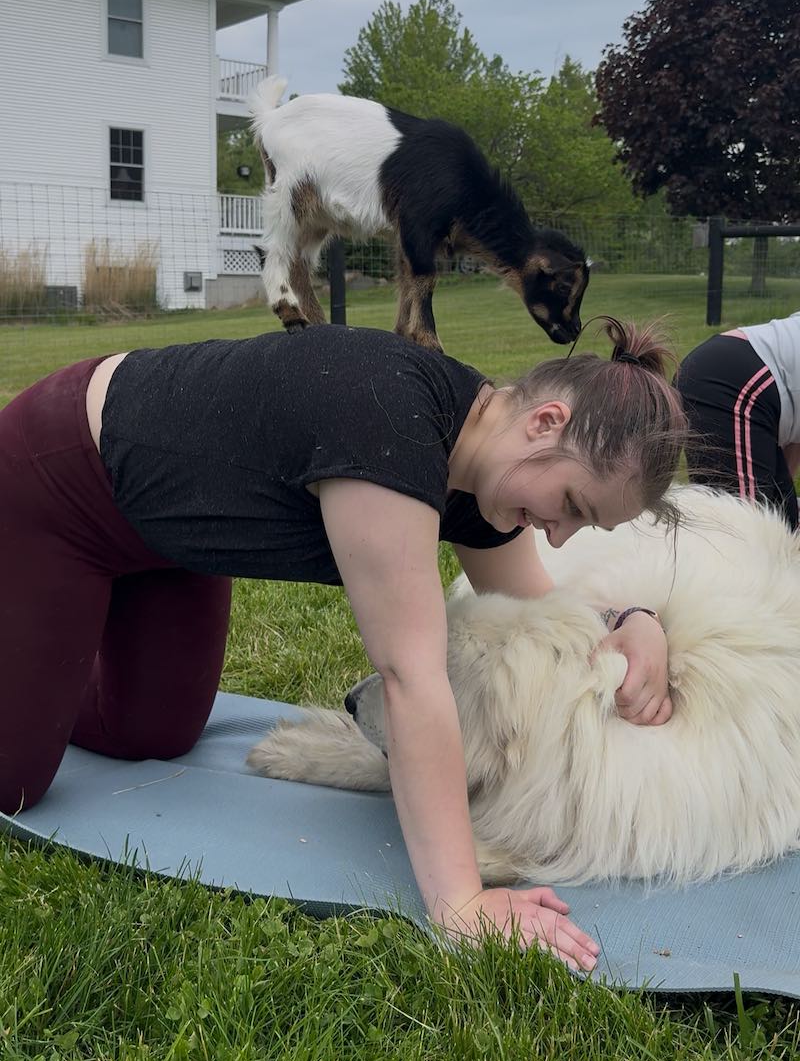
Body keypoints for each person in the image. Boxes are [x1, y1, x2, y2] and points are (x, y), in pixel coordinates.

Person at [0, 316, 687, 970]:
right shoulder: (387, 427)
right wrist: (462, 903)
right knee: (15, 781)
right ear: (546, 423)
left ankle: (44, 659)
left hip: (169, 538)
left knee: (151, 732)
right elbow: (412, 677)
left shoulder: (482, 469)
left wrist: (632, 621)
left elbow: (542, 609)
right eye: (572, 505)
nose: (558, 533)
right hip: (59, 482)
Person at [676, 311, 800, 530]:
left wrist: (781, 488)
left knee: (782, 523)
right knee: (744, 529)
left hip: (740, 375)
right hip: (730, 381)